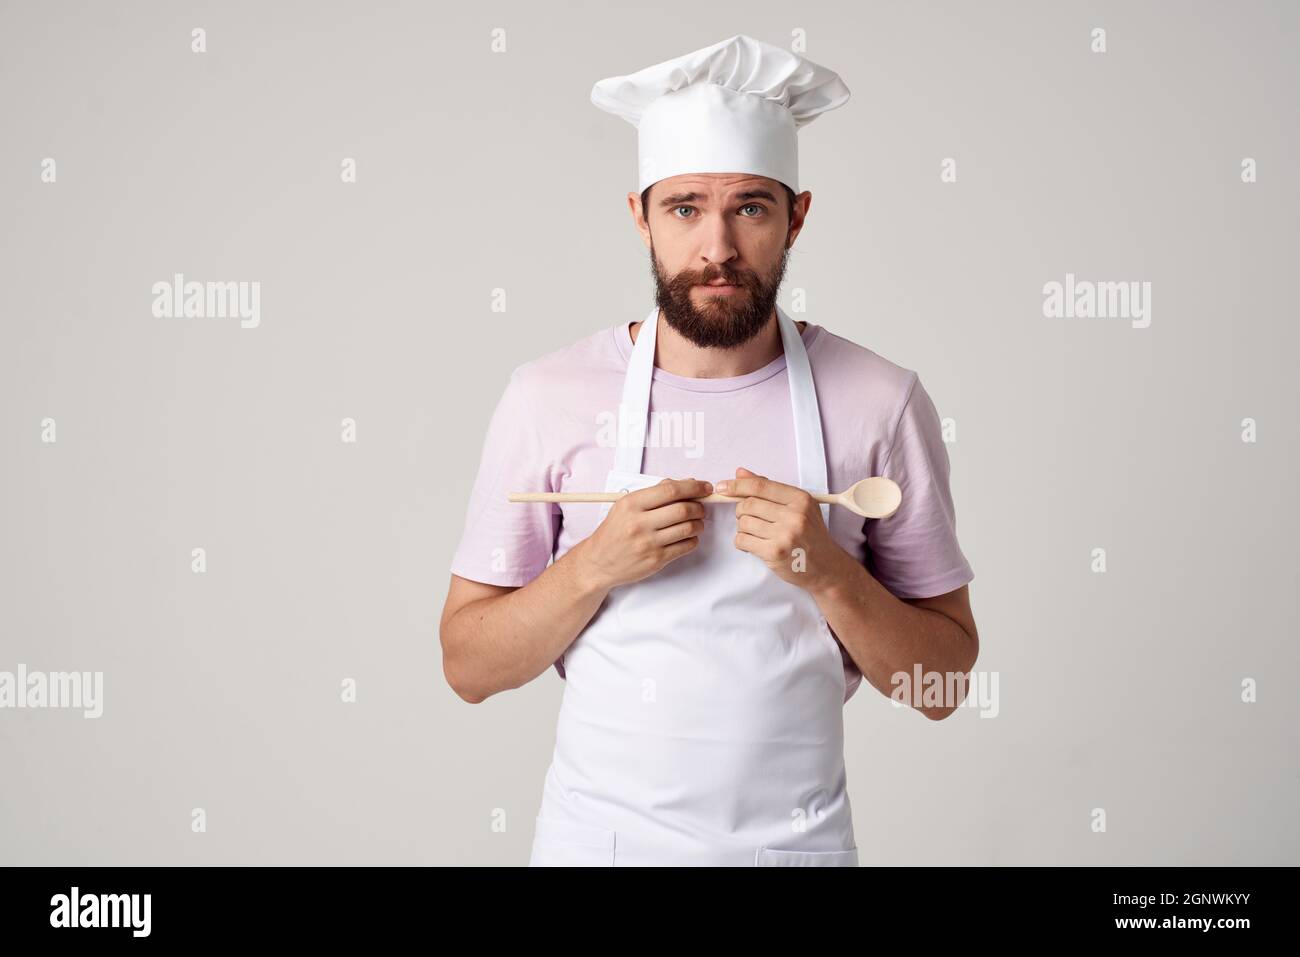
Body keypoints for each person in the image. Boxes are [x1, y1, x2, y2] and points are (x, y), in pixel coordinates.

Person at [440, 34, 978, 867]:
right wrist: (593, 566)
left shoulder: (880, 400)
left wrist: (830, 572)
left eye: (751, 208)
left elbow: (940, 688)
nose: (717, 247)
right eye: (685, 207)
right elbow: (469, 667)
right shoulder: (547, 396)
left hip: (797, 852)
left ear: (797, 214)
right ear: (639, 216)